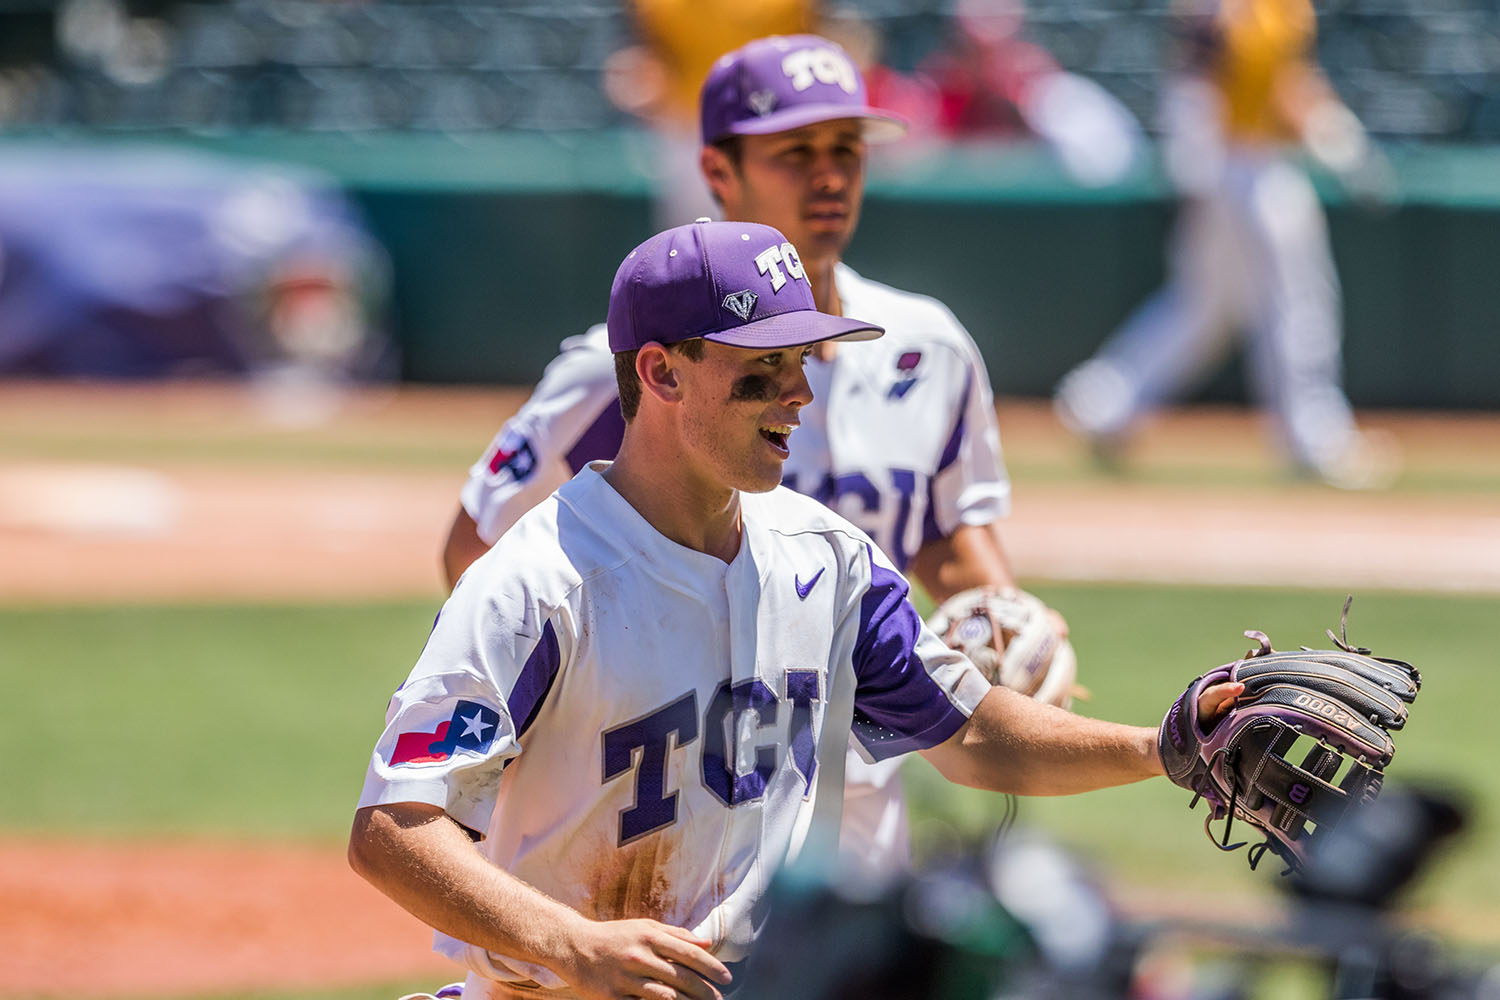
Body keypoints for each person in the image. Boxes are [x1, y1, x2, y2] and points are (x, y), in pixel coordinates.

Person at [351, 218, 1240, 1000]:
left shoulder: (828, 558)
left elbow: (970, 734)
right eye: (762, 369)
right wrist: (574, 944)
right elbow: (396, 827)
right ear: (661, 372)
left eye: (802, 363)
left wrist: (1166, 748)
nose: (800, 395)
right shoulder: (534, 584)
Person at [442, 33, 1066, 879]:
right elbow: (476, 546)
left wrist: (1007, 631)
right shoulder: (624, 366)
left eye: (847, 149)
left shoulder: (931, 348)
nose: (830, 175)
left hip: (857, 807)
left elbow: (952, 542)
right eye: (795, 151)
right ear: (718, 170)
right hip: (668, 800)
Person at [1052, 0, 1398, 488]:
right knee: (1297, 301)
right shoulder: (1225, 10)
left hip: (1254, 160)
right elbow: (1194, 83)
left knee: (1205, 305)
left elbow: (1291, 85)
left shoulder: (1288, 11)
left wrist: (1341, 141)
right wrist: (1194, 166)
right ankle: (1312, 436)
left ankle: (1104, 403)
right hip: (1232, 165)